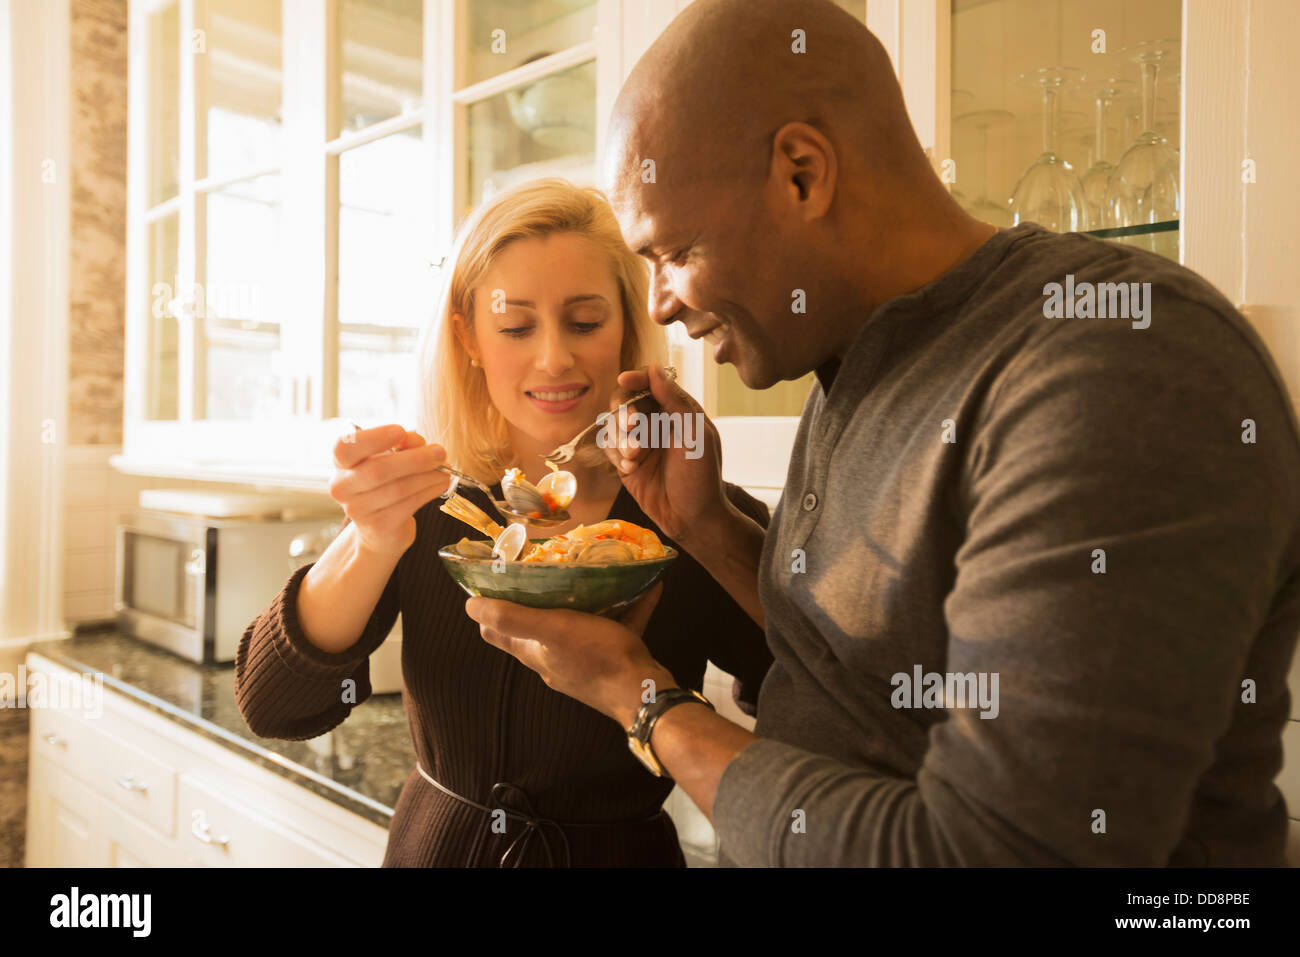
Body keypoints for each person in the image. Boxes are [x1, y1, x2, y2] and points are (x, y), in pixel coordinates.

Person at [464, 0, 1300, 865]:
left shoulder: (1119, 366)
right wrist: (708, 529)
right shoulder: (851, 361)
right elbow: (867, 671)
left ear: (801, 173)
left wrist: (641, 699)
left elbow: (994, 852)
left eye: (674, 250)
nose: (664, 302)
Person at [234, 178, 773, 867]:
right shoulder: (429, 502)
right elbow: (273, 704)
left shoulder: (697, 513)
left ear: (627, 326)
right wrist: (369, 541)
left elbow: (819, 699)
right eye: (516, 326)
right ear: (470, 337)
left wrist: (711, 528)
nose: (554, 357)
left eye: (585, 322)